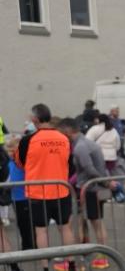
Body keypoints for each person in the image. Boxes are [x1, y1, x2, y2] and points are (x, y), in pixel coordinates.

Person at [15, 105, 76, 271]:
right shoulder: (64, 139)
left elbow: (20, 164)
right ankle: (71, 264)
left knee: (41, 231)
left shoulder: (28, 140)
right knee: (65, 228)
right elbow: (71, 166)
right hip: (61, 190)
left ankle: (45, 267)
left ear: (35, 120)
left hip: (38, 193)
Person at [58, 117, 113, 270]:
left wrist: (104, 182)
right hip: (90, 189)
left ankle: (96, 258)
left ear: (68, 131)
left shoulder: (81, 146)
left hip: (90, 190)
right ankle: (86, 257)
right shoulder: (85, 144)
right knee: (87, 224)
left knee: (92, 224)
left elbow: (89, 169)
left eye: (62, 133)